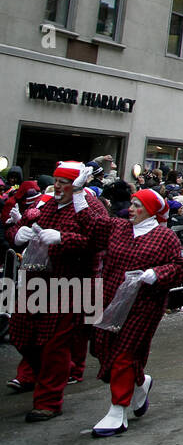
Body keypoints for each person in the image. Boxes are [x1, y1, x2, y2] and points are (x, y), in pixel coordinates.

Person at [75, 188, 183, 437]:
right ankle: (140, 384)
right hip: (112, 300)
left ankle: (118, 410)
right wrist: (76, 193)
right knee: (102, 348)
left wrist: (156, 274)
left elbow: (180, 268)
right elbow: (91, 225)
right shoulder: (118, 228)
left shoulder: (165, 236)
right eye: (132, 204)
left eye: (138, 205)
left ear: (150, 210)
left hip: (144, 304)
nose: (131, 209)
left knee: (124, 354)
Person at [10, 162, 106, 422]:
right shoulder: (47, 204)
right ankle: (55, 373)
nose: (58, 186)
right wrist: (18, 232)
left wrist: (64, 238)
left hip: (70, 285)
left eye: (64, 181)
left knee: (54, 344)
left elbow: (99, 241)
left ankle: (48, 401)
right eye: (56, 180)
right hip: (36, 282)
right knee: (22, 335)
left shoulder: (91, 206)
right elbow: (24, 221)